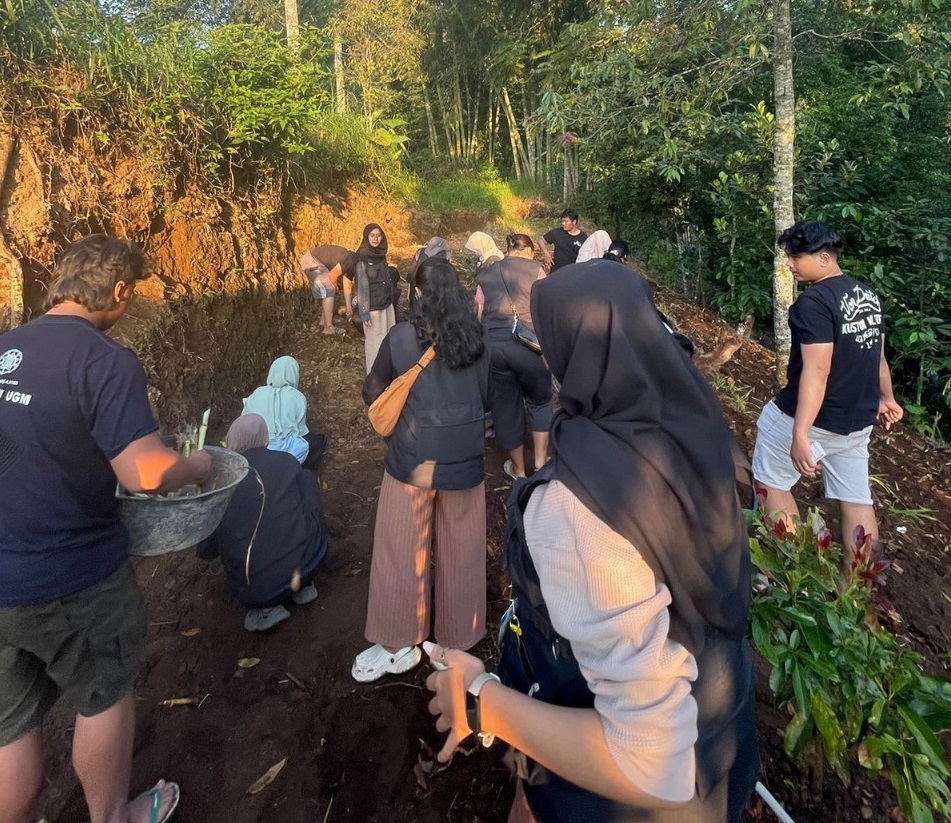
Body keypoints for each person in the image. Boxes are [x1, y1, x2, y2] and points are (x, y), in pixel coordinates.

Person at [423, 260, 758, 823]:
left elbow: (652, 761)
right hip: (723, 747)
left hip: (624, 801)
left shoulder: (576, 506)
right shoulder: (697, 429)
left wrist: (480, 701)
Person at [0, 234, 212, 823]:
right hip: (71, 577)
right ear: (118, 291)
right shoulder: (102, 360)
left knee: (9, 727)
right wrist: (195, 465)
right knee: (103, 693)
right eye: (132, 292)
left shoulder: (6, 347)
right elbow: (144, 472)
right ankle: (113, 816)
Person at [352, 260, 489, 683]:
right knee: (463, 549)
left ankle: (398, 644)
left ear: (415, 293)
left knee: (401, 548)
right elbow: (485, 395)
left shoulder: (400, 337)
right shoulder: (477, 337)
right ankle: (457, 643)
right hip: (466, 456)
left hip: (413, 460)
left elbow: (372, 389)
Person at [751, 220, 903, 570]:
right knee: (856, 499)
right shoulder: (867, 295)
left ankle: (799, 578)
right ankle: (856, 587)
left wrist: (800, 433)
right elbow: (878, 356)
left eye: (795, 257)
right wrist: (886, 397)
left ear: (823, 258)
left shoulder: (814, 303)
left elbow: (817, 371)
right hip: (856, 422)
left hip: (810, 417)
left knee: (771, 484)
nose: (789, 264)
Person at [196, 414, 328, 632]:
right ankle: (303, 585)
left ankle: (267, 610)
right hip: (309, 564)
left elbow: (205, 550)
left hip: (258, 591)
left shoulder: (222, 484)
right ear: (264, 436)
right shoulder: (286, 461)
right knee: (306, 478)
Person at [475, 234, 551, 480]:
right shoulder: (536, 270)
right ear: (528, 250)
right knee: (540, 400)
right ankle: (540, 462)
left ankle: (518, 470)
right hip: (528, 346)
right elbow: (546, 309)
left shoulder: (485, 274)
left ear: (508, 250)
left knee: (505, 407)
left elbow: (479, 314)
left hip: (495, 348)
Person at [242, 355, 325, 470]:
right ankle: (301, 471)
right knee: (319, 441)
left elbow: (244, 420)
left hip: (254, 449)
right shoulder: (297, 396)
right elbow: (301, 432)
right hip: (284, 452)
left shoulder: (257, 393)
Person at [354, 223, 398, 373]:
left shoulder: (381, 253)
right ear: (366, 237)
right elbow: (361, 284)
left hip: (386, 303)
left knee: (388, 339)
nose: (375, 239)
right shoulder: (362, 255)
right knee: (375, 343)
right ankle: (374, 376)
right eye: (372, 235)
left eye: (378, 235)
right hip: (373, 306)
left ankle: (387, 373)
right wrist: (364, 311)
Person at [299, 243, 356, 335]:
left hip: (318, 262)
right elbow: (332, 275)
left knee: (328, 290)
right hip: (312, 261)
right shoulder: (350, 261)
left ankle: (323, 322)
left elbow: (348, 286)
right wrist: (335, 286)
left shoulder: (354, 264)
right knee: (329, 290)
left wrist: (348, 307)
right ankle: (328, 328)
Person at [407, 237, 450, 311]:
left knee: (416, 306)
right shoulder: (446, 254)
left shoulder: (420, 252)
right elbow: (447, 272)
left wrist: (409, 284)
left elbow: (412, 269)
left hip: (417, 283)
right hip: (436, 285)